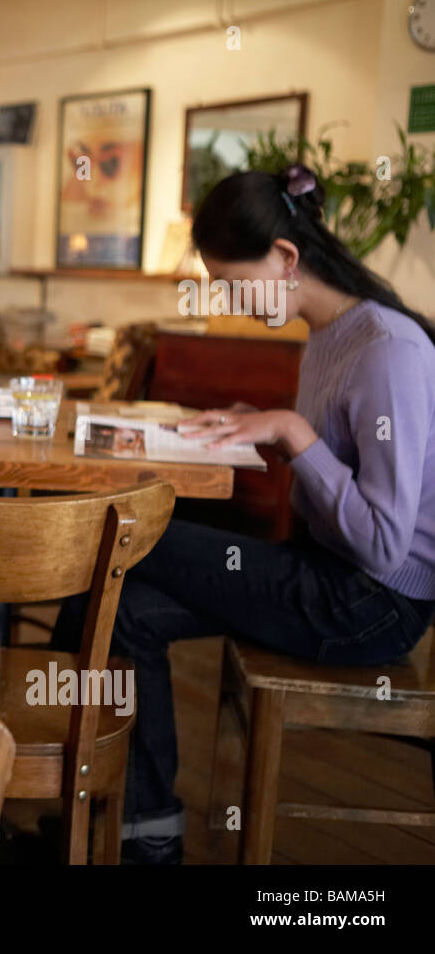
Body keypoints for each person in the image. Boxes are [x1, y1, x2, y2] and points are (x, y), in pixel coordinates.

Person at [51, 164, 435, 864]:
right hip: (324, 570)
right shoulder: (331, 336)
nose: (225, 298)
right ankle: (141, 831)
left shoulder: (389, 352)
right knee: (122, 606)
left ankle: (74, 811)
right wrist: (257, 424)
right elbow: (335, 468)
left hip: (370, 604)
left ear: (286, 258)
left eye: (231, 280)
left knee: (109, 540)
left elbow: (383, 545)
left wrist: (292, 434)